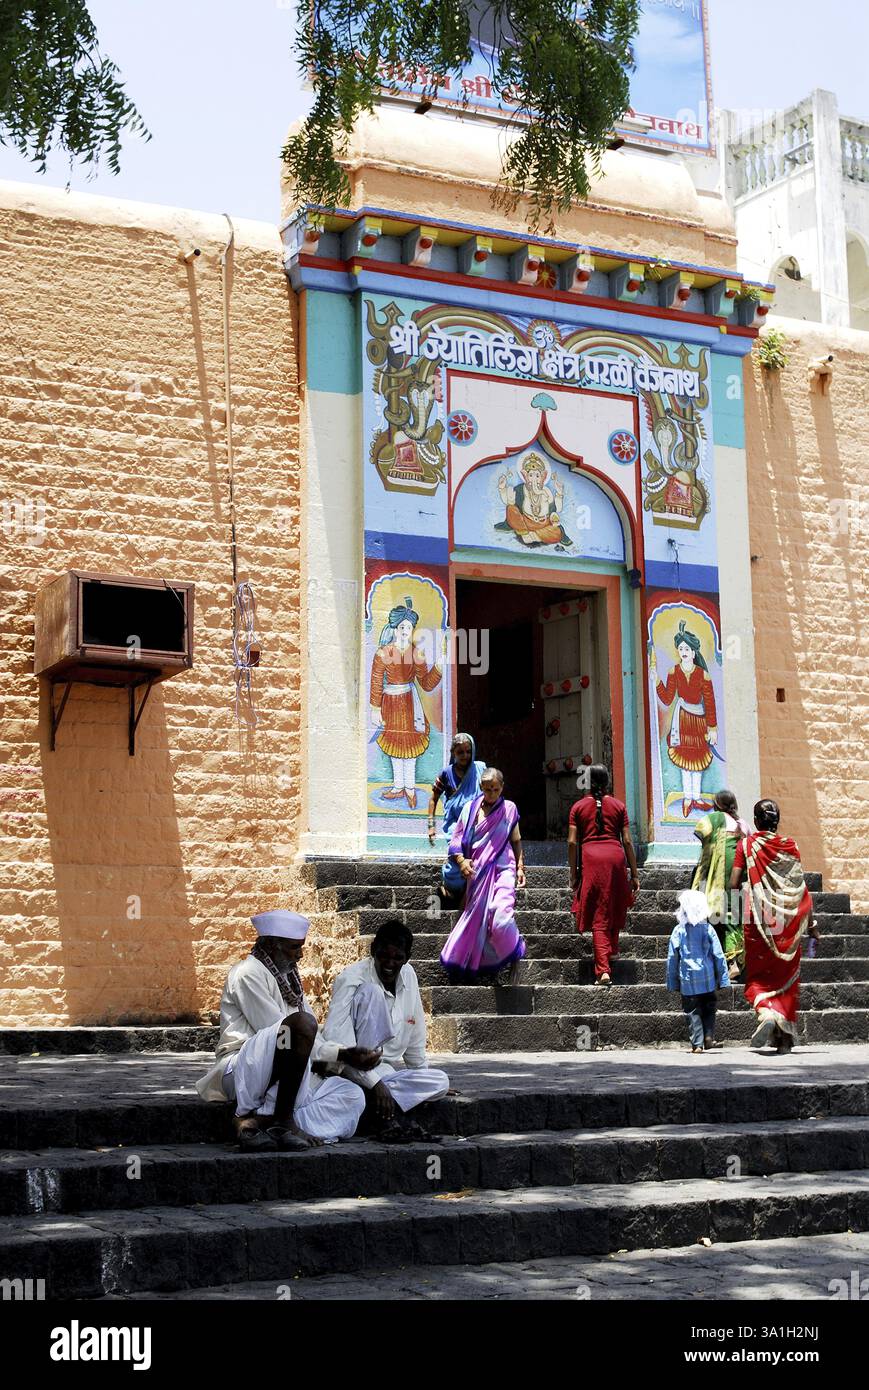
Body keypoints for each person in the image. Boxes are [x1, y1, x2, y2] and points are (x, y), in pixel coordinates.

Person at [196, 911, 378, 1151]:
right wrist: (337, 1055)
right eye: (294, 948)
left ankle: (263, 1123)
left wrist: (342, 1057)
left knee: (352, 1094)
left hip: (287, 1066)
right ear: (272, 945)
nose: (300, 955)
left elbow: (311, 1041)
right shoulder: (247, 973)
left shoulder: (289, 979)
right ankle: (283, 1120)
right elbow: (284, 1036)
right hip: (244, 1068)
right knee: (301, 1028)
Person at [315, 920, 450, 1139]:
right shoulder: (351, 978)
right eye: (383, 956)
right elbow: (336, 1041)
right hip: (348, 1070)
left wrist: (420, 1077)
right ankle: (380, 1107)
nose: (390, 963)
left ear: (407, 959)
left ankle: (373, 1100)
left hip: (385, 1071)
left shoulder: (409, 975)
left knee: (440, 1081)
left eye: (398, 958)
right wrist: (375, 1084)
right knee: (371, 993)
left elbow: (415, 1033)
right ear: (373, 951)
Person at [730, 799, 818, 1054]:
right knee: (787, 981)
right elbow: (799, 885)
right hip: (788, 922)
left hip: (757, 919)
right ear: (777, 821)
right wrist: (811, 923)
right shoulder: (791, 846)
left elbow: (734, 883)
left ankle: (767, 1013)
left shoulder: (746, 845)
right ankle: (785, 1040)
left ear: (756, 822)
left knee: (758, 976)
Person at [439, 767, 527, 982]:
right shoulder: (469, 810)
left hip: (504, 869)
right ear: (481, 788)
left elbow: (515, 840)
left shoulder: (509, 809)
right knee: (481, 923)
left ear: (502, 787)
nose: (491, 794)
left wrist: (520, 867)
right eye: (487, 790)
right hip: (477, 873)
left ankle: (515, 948)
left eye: (496, 790)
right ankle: (490, 965)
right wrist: (461, 861)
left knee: (501, 916)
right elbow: (456, 841)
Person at [567, 764, 639, 986]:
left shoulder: (577, 807)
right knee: (614, 903)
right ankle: (612, 950)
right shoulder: (619, 806)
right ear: (607, 782)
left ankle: (603, 971)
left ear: (587, 783)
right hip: (615, 859)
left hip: (591, 859)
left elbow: (571, 842)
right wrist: (634, 873)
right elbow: (627, 840)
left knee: (598, 913)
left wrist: (574, 873)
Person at [369, 596, 442, 810]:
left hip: (411, 705)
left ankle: (410, 789)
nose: (404, 631)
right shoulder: (383, 653)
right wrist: (375, 709)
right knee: (394, 745)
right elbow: (375, 682)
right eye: (401, 627)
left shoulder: (416, 653)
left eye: (408, 628)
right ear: (394, 628)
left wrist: (438, 667)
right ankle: (398, 786)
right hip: (390, 704)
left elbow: (426, 684)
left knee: (410, 744)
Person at [650, 619, 718, 818]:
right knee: (684, 759)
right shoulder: (674, 671)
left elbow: (710, 702)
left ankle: (696, 797)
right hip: (682, 719)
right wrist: (656, 681)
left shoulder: (703, 675)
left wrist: (712, 728)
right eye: (681, 648)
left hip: (698, 720)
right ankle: (688, 798)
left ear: (694, 652)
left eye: (687, 648)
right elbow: (667, 697)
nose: (684, 652)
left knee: (698, 759)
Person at [691, 789, 750, 979]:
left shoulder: (715, 818)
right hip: (740, 873)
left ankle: (728, 963)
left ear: (716, 805)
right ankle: (737, 961)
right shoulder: (743, 824)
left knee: (717, 913)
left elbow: (702, 834)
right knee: (734, 914)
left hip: (720, 873)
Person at [666, 889, 730, 1053]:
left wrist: (673, 982)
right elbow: (718, 955)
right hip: (707, 979)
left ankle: (697, 1043)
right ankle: (709, 1036)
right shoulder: (708, 929)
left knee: (692, 1011)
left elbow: (672, 958)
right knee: (709, 1007)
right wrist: (723, 979)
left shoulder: (678, 931)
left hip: (688, 981)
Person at [428, 732, 486, 902]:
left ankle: (470, 894)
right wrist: (431, 825)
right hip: (454, 825)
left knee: (476, 860)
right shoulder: (446, 773)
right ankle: (451, 890)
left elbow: (489, 794)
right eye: (460, 752)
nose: (465, 756)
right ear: (454, 753)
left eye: (468, 751)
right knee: (456, 855)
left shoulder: (480, 770)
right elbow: (433, 799)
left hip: (476, 824)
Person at [495, 451, 570, 548]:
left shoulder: (546, 491)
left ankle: (535, 536)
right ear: (526, 476)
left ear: (543, 477)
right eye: (531, 475)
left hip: (544, 525)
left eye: (537, 476)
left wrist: (559, 493)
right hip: (525, 523)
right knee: (511, 509)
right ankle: (525, 533)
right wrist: (502, 488)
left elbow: (556, 509)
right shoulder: (521, 489)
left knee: (557, 532)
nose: (534, 479)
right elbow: (507, 500)